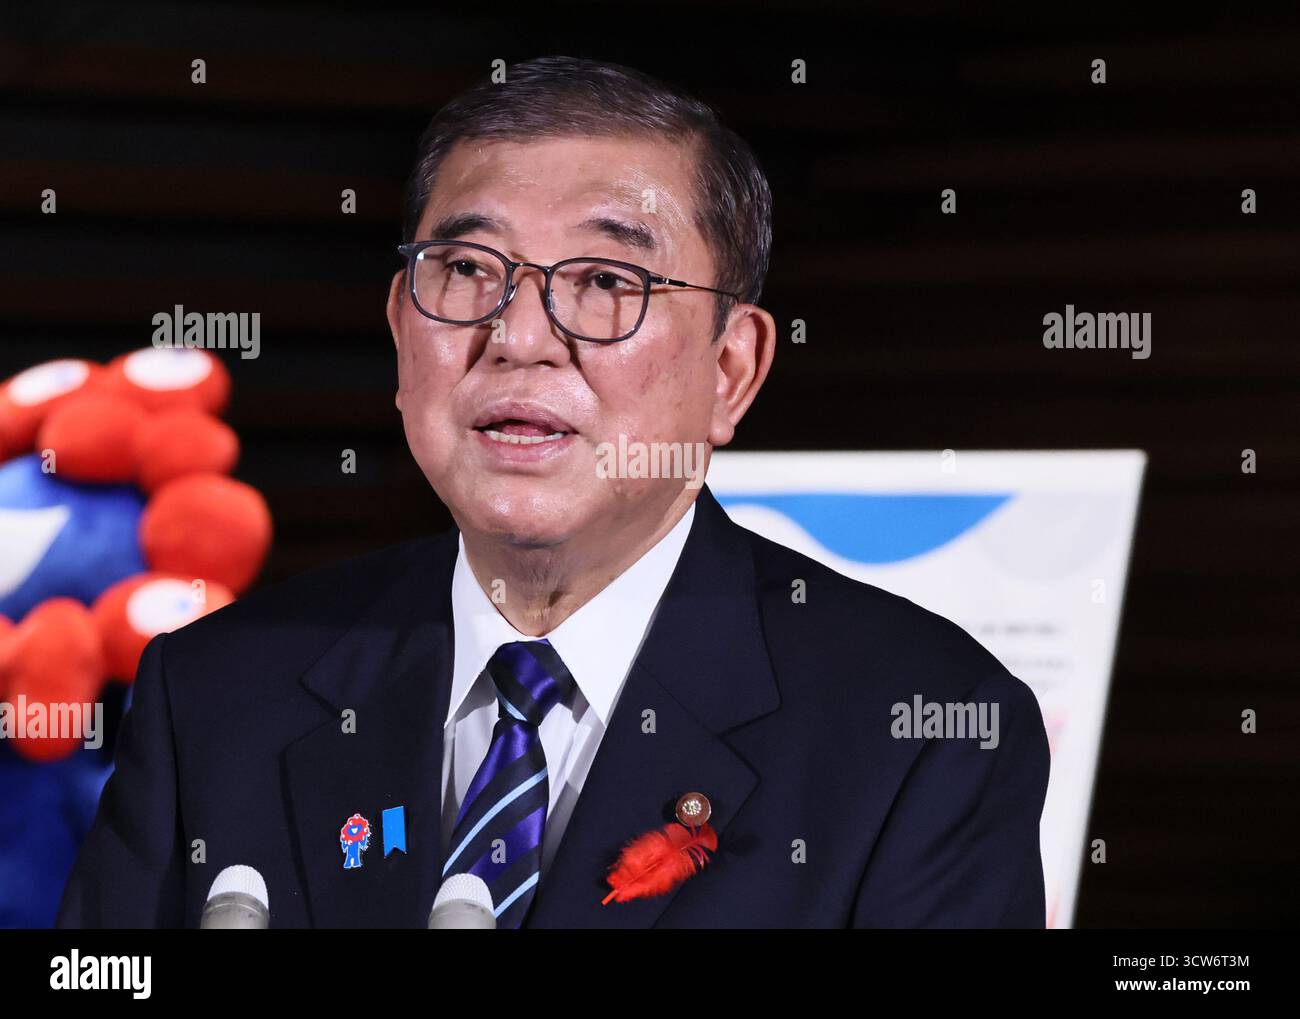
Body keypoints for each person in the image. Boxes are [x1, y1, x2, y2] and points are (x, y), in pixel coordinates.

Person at [57, 55, 1049, 928]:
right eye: (464, 269)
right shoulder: (219, 692)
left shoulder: (921, 731)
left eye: (607, 281)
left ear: (733, 368)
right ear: (403, 332)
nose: (518, 335)